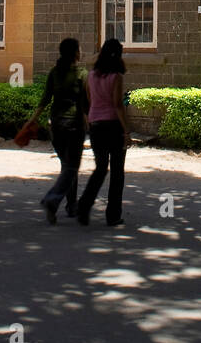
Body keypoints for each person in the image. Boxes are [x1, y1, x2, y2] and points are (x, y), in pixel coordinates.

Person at [27, 38, 88, 224]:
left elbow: (45, 99)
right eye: (79, 49)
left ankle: (71, 205)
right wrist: (90, 122)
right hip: (74, 125)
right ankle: (53, 200)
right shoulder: (81, 74)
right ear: (75, 53)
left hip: (56, 125)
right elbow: (86, 103)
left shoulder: (55, 73)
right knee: (71, 167)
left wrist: (33, 119)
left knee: (67, 166)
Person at [75, 38, 129, 227]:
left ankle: (83, 206)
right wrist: (126, 130)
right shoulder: (116, 77)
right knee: (117, 173)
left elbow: (91, 100)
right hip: (113, 126)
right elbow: (117, 105)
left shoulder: (91, 76)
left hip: (96, 125)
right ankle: (113, 215)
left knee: (100, 169)